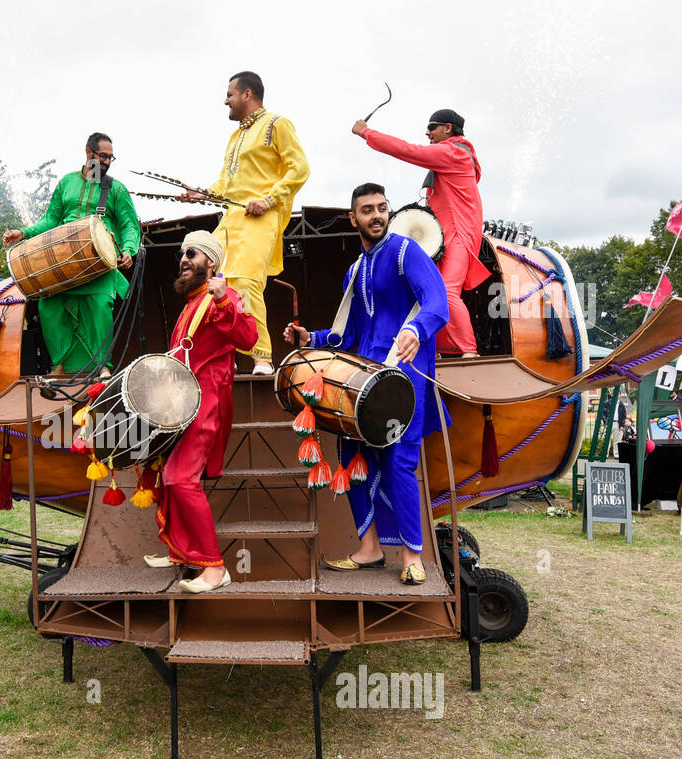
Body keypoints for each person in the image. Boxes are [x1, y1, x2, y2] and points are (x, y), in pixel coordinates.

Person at [284, 183, 449, 584]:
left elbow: (437, 302)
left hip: (401, 380)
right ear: (352, 218)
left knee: (399, 464)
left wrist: (415, 328)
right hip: (358, 383)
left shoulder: (406, 252)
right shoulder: (354, 271)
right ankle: (369, 548)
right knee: (352, 461)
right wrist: (313, 339)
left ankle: (413, 556)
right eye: (366, 210)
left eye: (381, 208)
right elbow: (349, 334)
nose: (376, 215)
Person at [143, 231, 258, 593]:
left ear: (211, 262)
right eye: (181, 253)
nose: (183, 258)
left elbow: (248, 338)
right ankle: (181, 552)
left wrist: (224, 299)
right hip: (181, 406)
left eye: (191, 253)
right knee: (169, 477)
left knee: (180, 478)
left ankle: (215, 567)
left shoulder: (223, 296)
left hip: (206, 405)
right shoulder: (192, 302)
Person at [184, 71, 309, 375]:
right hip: (232, 217)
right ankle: (211, 351)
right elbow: (228, 184)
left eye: (230, 94)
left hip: (260, 217)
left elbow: (300, 168)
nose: (225, 100)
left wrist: (268, 199)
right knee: (201, 270)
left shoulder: (277, 124)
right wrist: (202, 193)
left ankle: (262, 357)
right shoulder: (236, 136)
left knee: (245, 282)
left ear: (247, 94)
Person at [352, 108, 489, 357]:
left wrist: (366, 133)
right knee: (429, 291)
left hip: (458, 234)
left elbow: (408, 150)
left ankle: (469, 352)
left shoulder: (454, 152)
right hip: (447, 235)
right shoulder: (454, 155)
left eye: (432, 127)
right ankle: (442, 348)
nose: (428, 132)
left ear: (448, 129)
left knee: (445, 291)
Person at [3, 133, 140, 375]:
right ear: (89, 153)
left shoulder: (116, 189)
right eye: (103, 156)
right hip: (63, 259)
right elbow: (50, 220)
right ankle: (60, 365)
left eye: (111, 157)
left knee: (100, 306)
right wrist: (23, 233)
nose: (107, 162)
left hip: (100, 260)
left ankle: (102, 367)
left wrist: (128, 250)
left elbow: (130, 225)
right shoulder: (67, 183)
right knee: (48, 305)